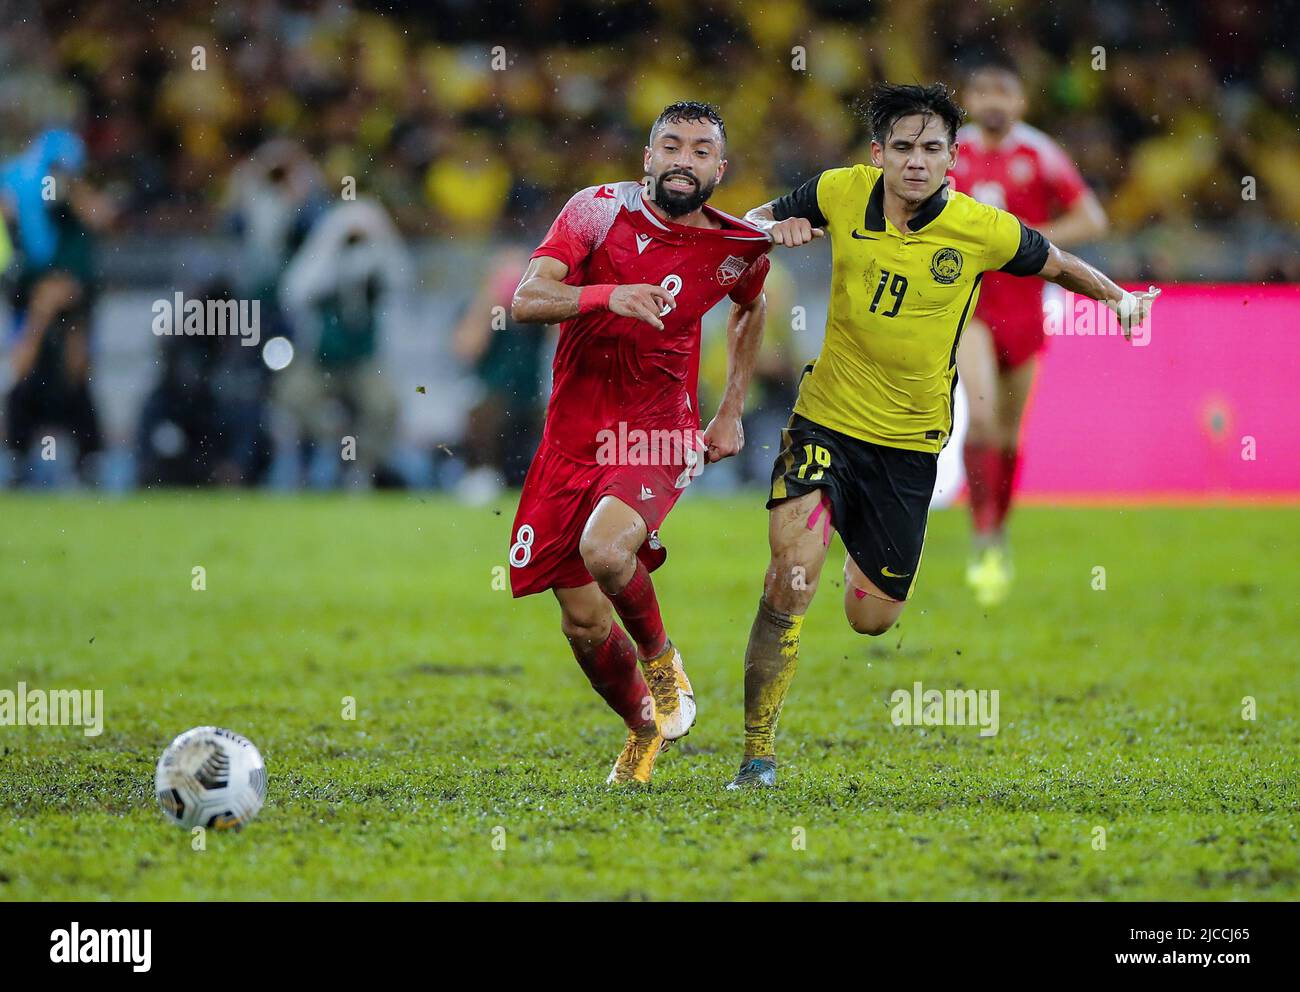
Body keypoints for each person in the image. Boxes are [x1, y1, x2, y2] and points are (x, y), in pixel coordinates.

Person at [729, 83, 1157, 788]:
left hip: (908, 445)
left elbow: (1055, 260)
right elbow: (752, 219)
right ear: (879, 154)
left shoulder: (980, 228)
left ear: (954, 158)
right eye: (903, 147)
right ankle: (757, 753)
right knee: (790, 576)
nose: (917, 161)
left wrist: (1117, 300)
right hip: (825, 421)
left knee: (872, 618)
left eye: (932, 149)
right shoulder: (838, 191)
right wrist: (773, 227)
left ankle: (854, 541)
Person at [508, 102, 771, 786]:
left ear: (720, 168)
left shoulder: (737, 245)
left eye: (701, 150)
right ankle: (643, 726)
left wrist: (731, 411)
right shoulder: (594, 212)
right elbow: (526, 299)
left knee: (606, 548)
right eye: (671, 146)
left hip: (656, 429)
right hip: (569, 442)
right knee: (583, 624)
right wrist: (606, 295)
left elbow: (752, 304)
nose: (685, 159)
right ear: (647, 159)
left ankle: (662, 662)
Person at [948, 59, 1110, 605]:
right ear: (968, 96)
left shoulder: (1040, 154)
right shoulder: (950, 152)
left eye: (1003, 91)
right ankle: (979, 532)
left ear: (1020, 103)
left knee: (1012, 435)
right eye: (983, 87)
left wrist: (1034, 240)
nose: (993, 99)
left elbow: (1092, 218)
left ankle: (997, 531)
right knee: (984, 414)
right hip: (969, 306)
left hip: (1025, 309)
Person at [276, 198, 409, 487]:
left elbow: (401, 280)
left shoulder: (378, 268)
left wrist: (377, 242)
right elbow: (294, 292)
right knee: (292, 397)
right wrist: (333, 253)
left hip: (363, 364)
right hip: (319, 362)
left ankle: (361, 468)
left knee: (385, 404)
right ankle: (327, 446)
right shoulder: (321, 263)